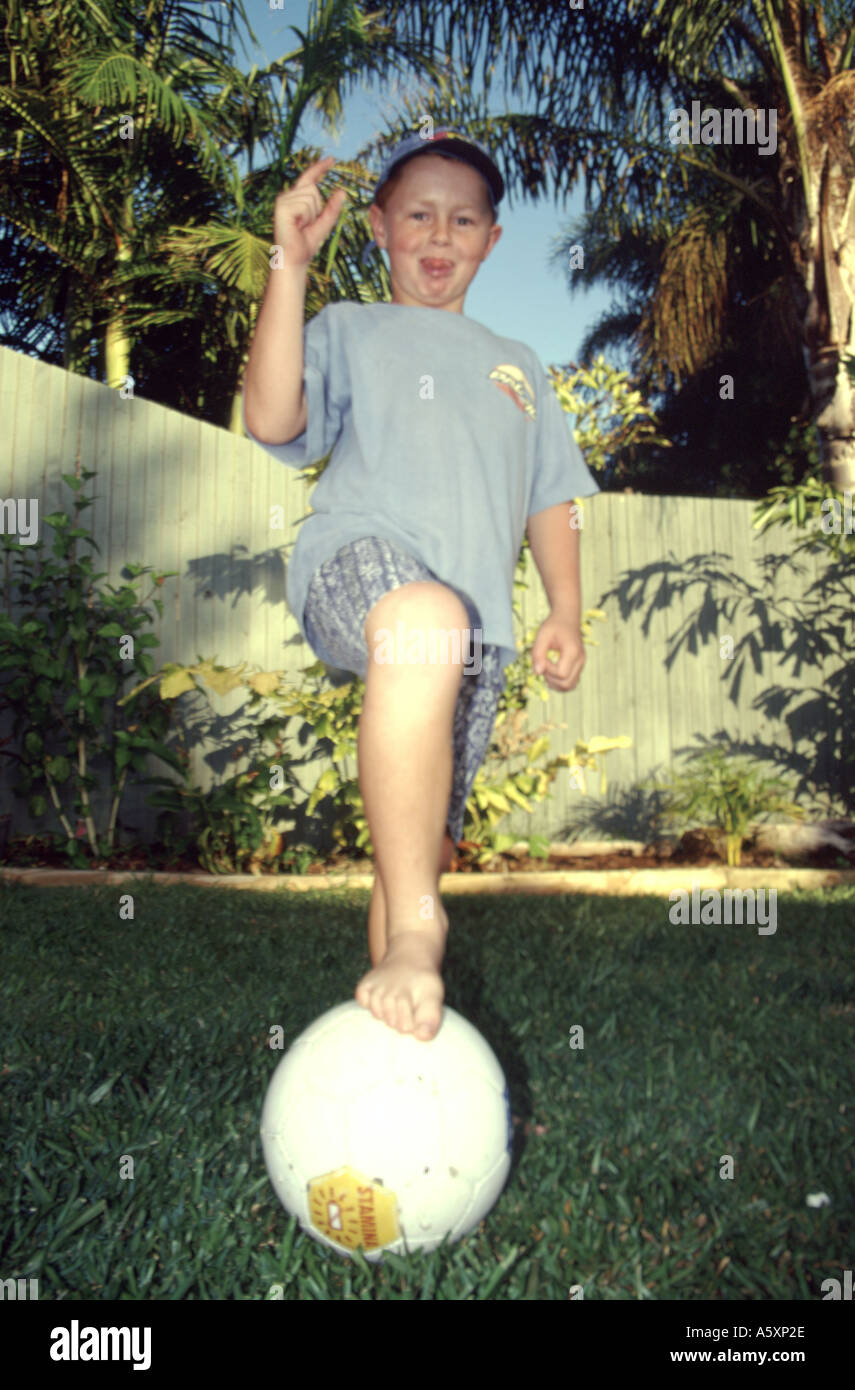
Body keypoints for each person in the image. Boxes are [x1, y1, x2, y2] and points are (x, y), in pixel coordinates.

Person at [242, 130, 598, 1043]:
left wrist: (562, 607)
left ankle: (396, 1020)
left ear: (490, 239)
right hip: (357, 566)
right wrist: (288, 264)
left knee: (417, 854)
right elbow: (272, 416)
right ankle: (417, 934)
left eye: (463, 219)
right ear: (377, 227)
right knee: (422, 614)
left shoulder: (518, 362)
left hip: (475, 631)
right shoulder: (351, 328)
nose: (439, 234)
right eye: (417, 215)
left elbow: (550, 495)